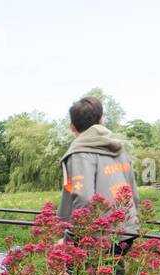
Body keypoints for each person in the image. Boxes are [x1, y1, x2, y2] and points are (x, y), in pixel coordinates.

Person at [57, 95, 140, 258]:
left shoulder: (80, 153)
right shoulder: (120, 150)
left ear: (72, 126)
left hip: (97, 236)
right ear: (102, 120)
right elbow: (134, 194)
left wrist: (69, 238)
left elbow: (84, 198)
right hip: (127, 230)